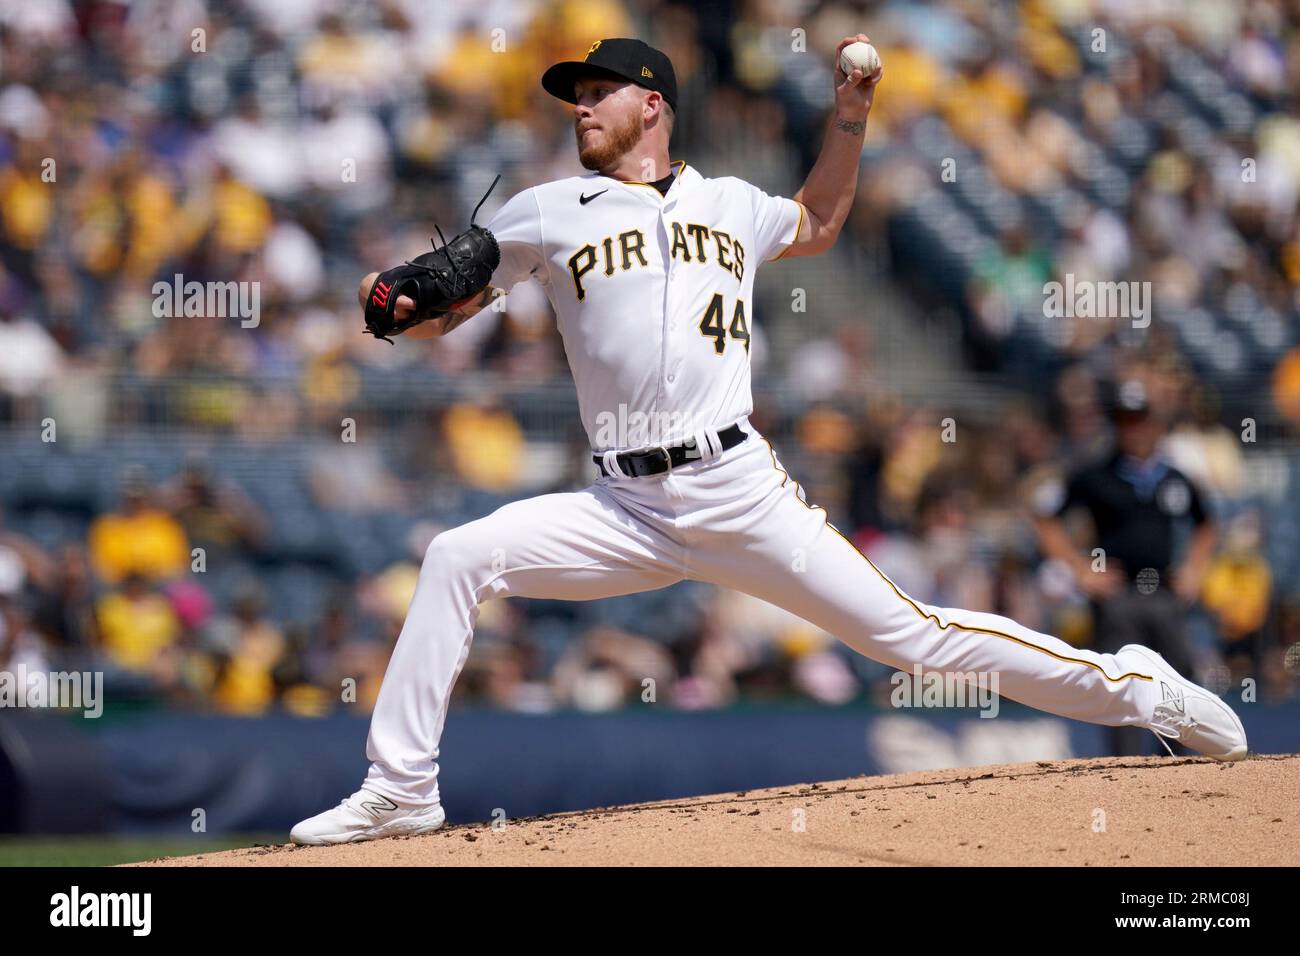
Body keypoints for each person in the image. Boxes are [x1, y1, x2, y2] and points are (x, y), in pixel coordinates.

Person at [290, 38, 1246, 846]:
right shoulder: (546, 210)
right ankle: (404, 789)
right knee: (459, 554)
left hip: (738, 487)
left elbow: (825, 218)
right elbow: (449, 310)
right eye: (574, 99)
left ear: (651, 104)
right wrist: (405, 305)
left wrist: (850, 113)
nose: (579, 110)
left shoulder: (734, 203)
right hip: (624, 506)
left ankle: (1138, 689)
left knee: (914, 637)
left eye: (596, 94)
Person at [1033, 379, 1217, 756]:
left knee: (1177, 682)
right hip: (1119, 598)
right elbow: (1046, 520)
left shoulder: (1173, 477)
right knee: (1120, 685)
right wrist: (1082, 570)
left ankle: (1183, 774)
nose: (1131, 428)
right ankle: (1125, 775)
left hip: (1166, 596)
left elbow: (1206, 523)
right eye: (1123, 420)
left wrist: (1195, 569)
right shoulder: (1095, 475)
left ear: (1154, 424)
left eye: (1138, 419)